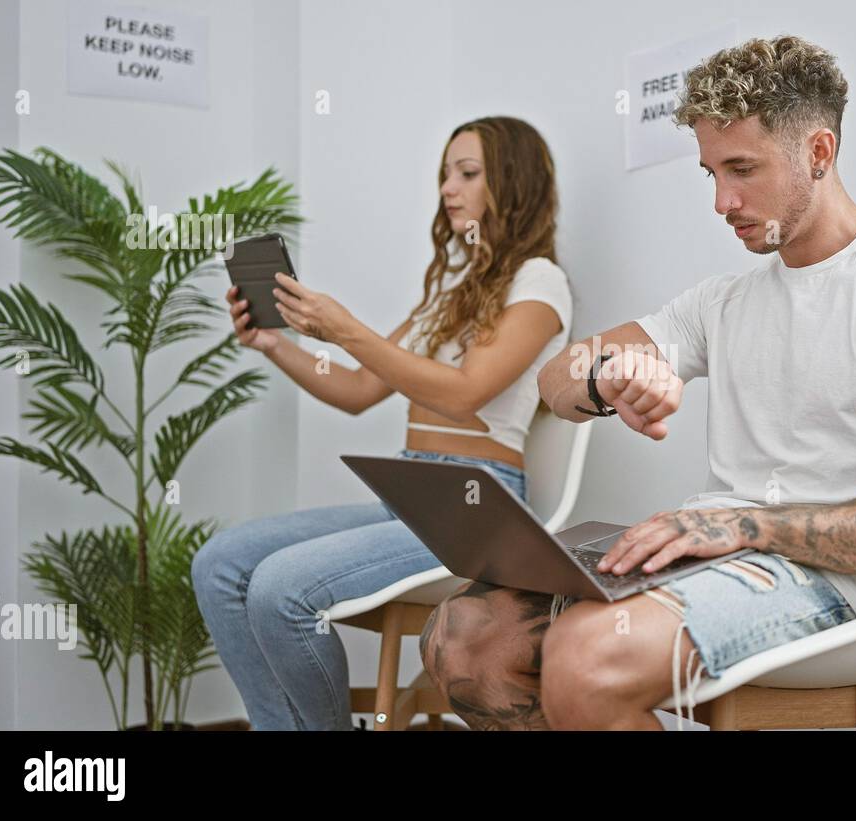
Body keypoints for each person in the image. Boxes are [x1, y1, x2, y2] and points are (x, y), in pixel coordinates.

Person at [420, 35, 856, 730]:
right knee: (462, 635)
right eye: (711, 173)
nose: (723, 200)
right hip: (717, 551)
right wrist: (610, 378)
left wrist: (743, 524)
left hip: (848, 587)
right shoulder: (724, 301)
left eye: (743, 169)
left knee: (583, 655)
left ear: (818, 153)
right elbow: (555, 379)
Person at [192, 116, 573, 730]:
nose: (449, 188)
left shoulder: (539, 283)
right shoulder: (448, 292)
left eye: (468, 173)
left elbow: (465, 394)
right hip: (411, 494)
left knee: (279, 589)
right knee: (220, 564)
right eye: (445, 173)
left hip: (477, 504)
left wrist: (346, 328)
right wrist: (273, 343)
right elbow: (358, 389)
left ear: (514, 184)